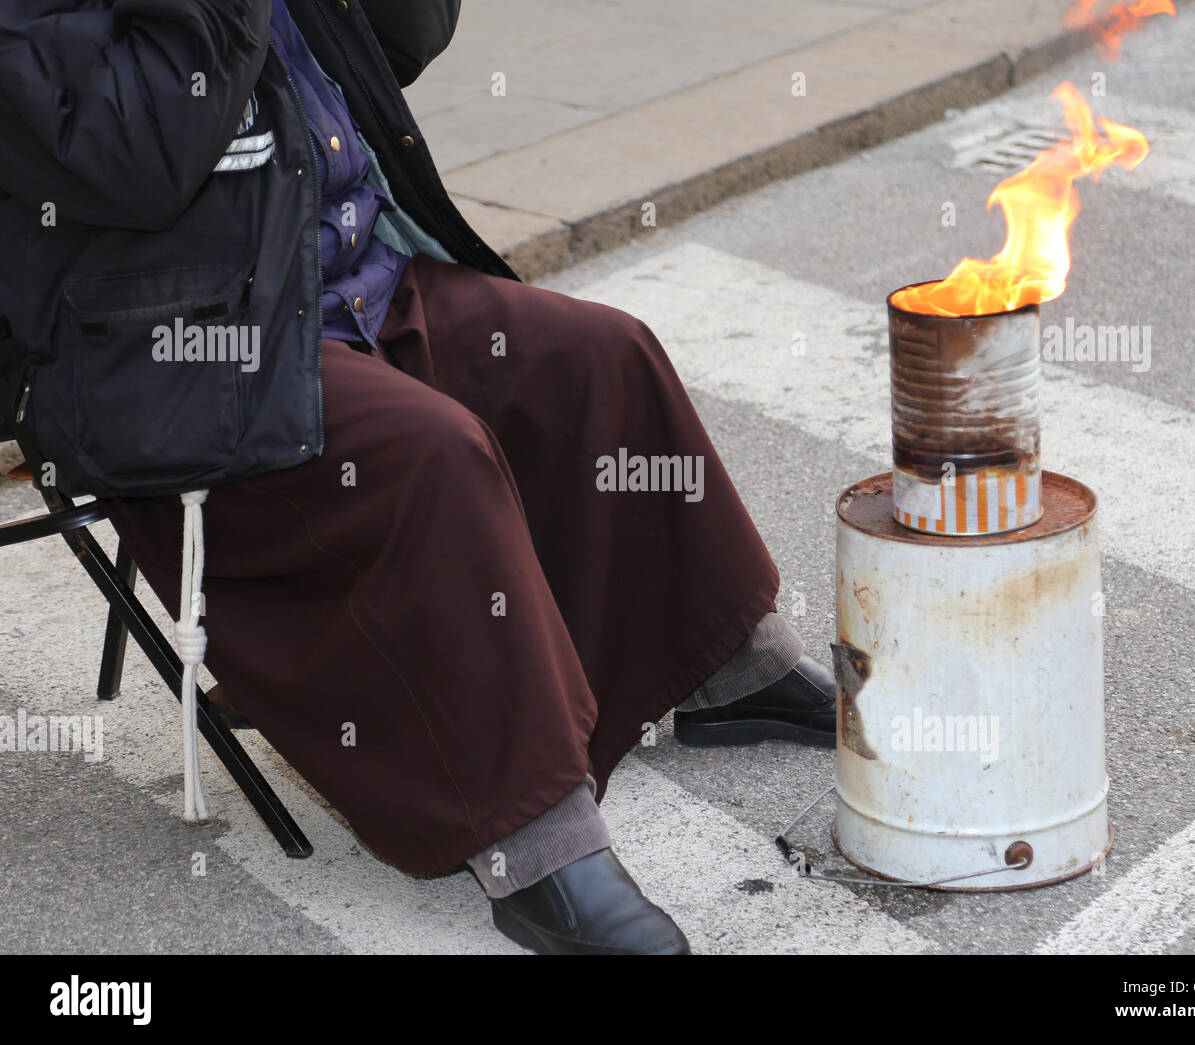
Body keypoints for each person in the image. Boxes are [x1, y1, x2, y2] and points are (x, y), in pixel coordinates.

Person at [0, 0, 836, 955]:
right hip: (192, 361)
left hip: (357, 282)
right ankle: (538, 845)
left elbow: (400, 42)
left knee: (602, 356)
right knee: (434, 458)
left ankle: (728, 663)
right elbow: (141, 153)